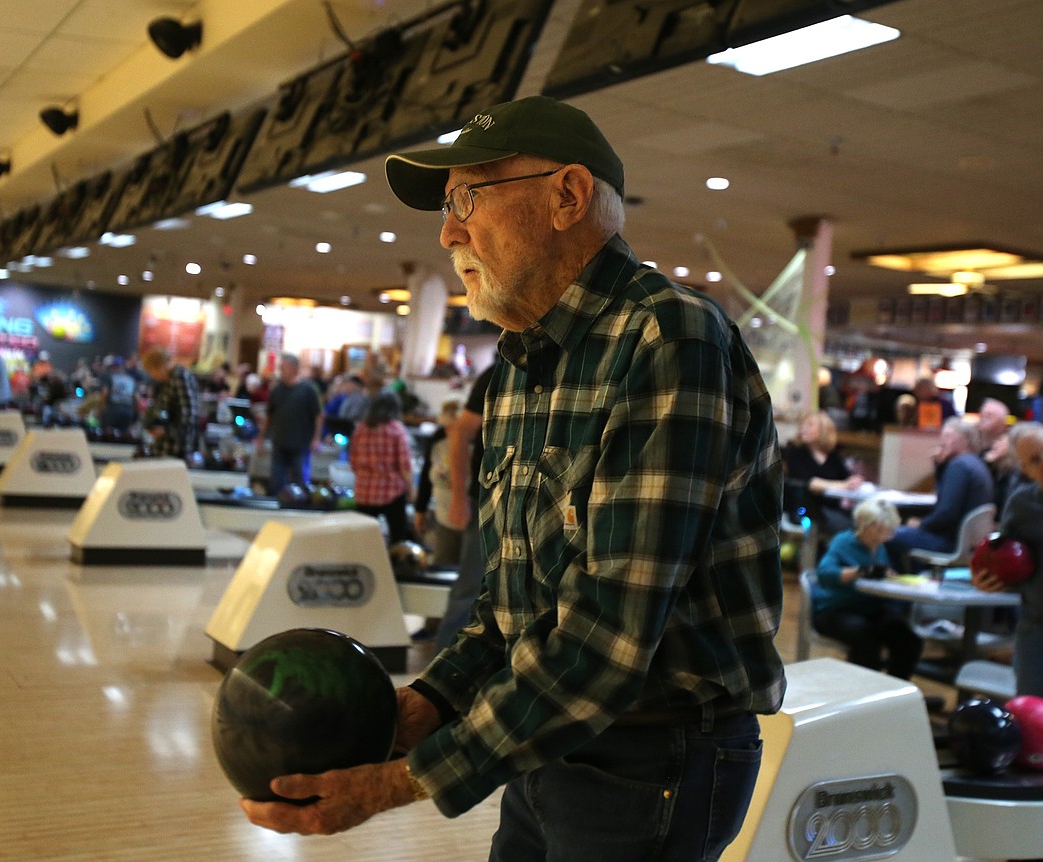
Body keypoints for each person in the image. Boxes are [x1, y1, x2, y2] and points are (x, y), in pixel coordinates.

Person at [239, 95, 786, 860]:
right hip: (548, 734)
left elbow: (608, 638)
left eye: (468, 197)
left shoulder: (668, 336)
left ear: (566, 197)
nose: (447, 230)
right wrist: (427, 705)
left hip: (653, 759)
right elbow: (509, 607)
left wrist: (400, 785)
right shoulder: (521, 363)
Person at [812, 497, 923, 679]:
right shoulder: (843, 541)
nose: (886, 532)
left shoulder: (879, 548)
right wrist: (859, 571)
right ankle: (865, 688)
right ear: (866, 525)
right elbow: (825, 573)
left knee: (907, 639)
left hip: (869, 609)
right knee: (867, 637)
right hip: (835, 610)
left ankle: (895, 688)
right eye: (880, 527)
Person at [971, 421, 1043, 697]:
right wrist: (984, 579)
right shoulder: (1021, 505)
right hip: (1036, 627)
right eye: (1035, 460)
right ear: (1025, 469)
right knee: (1030, 713)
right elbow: (1003, 560)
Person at [430, 360, 497, 656]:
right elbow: (461, 432)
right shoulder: (497, 372)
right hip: (486, 500)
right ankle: (440, 667)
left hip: (525, 500)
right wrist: (459, 496)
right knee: (468, 588)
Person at [886, 417, 994, 572]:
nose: (942, 441)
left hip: (950, 542)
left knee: (889, 535)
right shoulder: (976, 464)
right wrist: (941, 467)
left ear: (965, 440)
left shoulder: (959, 466)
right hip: (968, 543)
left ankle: (902, 588)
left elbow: (947, 513)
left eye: (948, 436)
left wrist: (921, 524)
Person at [781, 410, 864, 535]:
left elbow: (847, 478)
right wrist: (845, 485)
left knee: (864, 521)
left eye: (809, 425)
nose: (803, 429)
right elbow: (812, 483)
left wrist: (854, 481)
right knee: (855, 529)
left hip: (833, 509)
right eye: (802, 425)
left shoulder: (833, 457)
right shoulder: (795, 453)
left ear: (823, 430)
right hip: (807, 510)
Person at [349, 390, 415, 545]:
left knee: (362, 539)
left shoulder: (360, 429)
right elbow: (405, 466)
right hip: (392, 492)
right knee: (398, 537)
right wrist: (411, 489)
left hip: (364, 492)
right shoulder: (396, 430)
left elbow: (353, 462)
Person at [258, 353, 323, 492]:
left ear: (294, 368)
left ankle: (299, 507)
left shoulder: (308, 390)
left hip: (301, 443)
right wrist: (261, 438)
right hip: (280, 442)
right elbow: (269, 416)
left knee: (300, 481)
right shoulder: (277, 390)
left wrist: (316, 439)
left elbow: (318, 415)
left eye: (283, 367)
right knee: (277, 481)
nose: (281, 370)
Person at [413, 398, 465, 567]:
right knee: (443, 565)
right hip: (443, 516)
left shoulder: (475, 442)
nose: (451, 433)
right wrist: (420, 509)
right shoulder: (438, 439)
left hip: (471, 519)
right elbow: (426, 476)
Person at [140, 347, 200, 461]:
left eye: (151, 370)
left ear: (159, 366)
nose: (152, 375)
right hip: (164, 447)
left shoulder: (180, 378)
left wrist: (165, 431)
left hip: (177, 448)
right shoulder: (166, 382)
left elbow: (189, 415)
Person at [98, 355, 137, 432]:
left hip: (112, 409)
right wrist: (134, 414)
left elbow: (105, 393)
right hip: (127, 410)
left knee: (107, 435)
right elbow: (136, 398)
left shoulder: (108, 376)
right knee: (123, 437)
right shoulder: (131, 379)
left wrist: (101, 409)